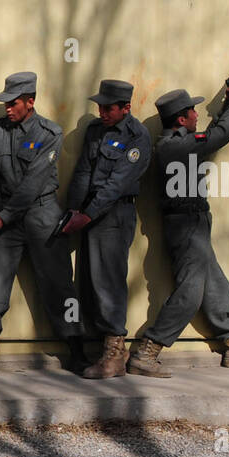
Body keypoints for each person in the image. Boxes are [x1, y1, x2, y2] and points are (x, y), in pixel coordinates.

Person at [127, 75, 229, 377]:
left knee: (215, 284)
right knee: (191, 291)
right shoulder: (174, 147)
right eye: (193, 111)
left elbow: (211, 133)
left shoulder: (181, 144)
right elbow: (221, 134)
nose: (197, 115)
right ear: (182, 119)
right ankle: (148, 350)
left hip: (194, 222)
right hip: (185, 226)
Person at [0, 72, 86, 378]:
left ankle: (76, 349)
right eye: (5, 103)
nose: (7, 108)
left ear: (31, 102)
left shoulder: (50, 133)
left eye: (14, 103)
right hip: (3, 218)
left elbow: (33, 184)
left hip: (41, 214)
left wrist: (1, 218)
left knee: (60, 284)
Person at [61, 79, 152, 378]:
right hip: (89, 213)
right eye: (99, 106)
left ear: (126, 107)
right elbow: (83, 172)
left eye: (108, 107)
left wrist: (86, 215)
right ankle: (101, 348)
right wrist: (74, 210)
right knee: (88, 282)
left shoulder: (137, 137)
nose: (102, 112)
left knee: (108, 283)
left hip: (114, 214)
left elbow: (117, 184)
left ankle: (114, 354)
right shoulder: (95, 131)